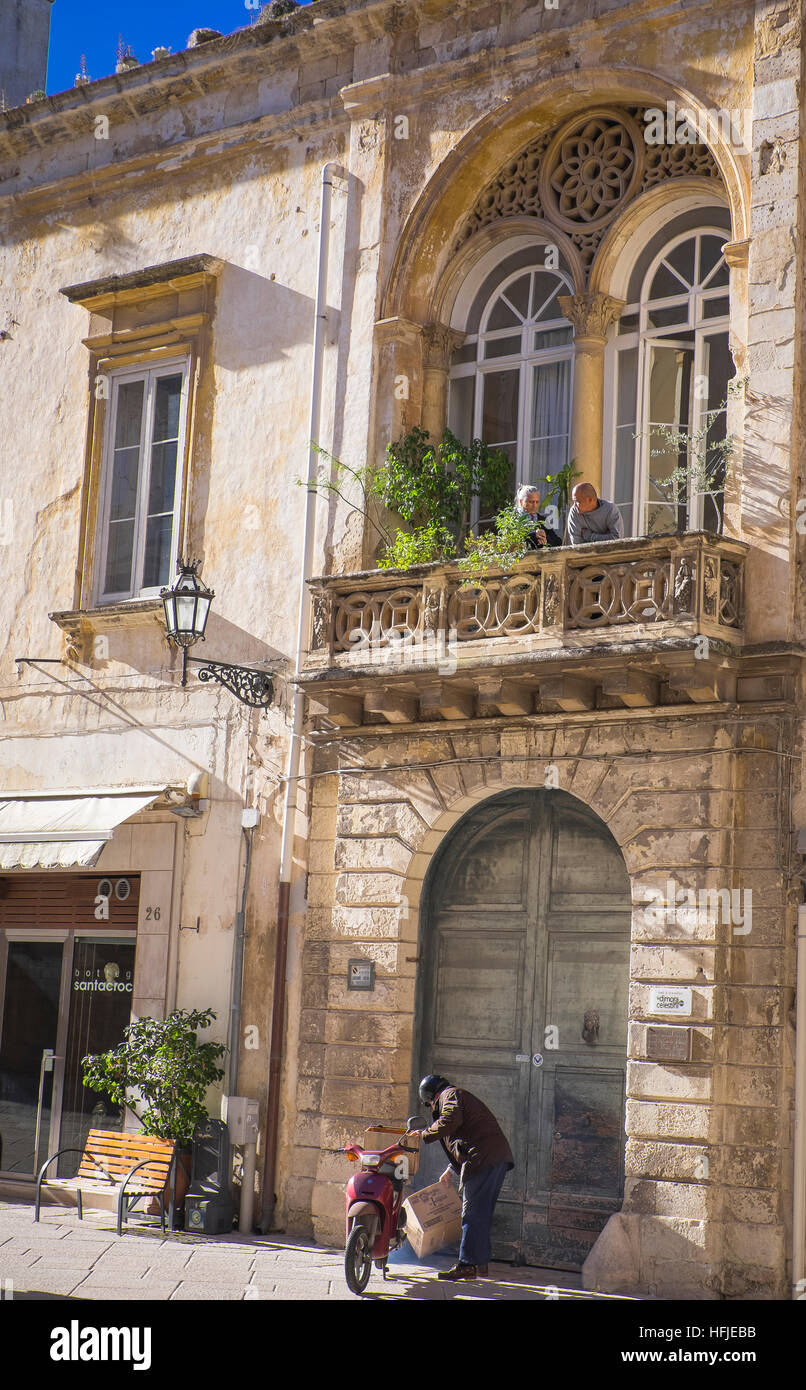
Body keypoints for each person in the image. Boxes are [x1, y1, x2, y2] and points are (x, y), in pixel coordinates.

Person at [405, 1074, 514, 1281]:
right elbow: (463, 1138)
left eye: (429, 1103)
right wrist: (451, 1169)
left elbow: (451, 1120)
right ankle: (479, 1265)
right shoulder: (455, 1096)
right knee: (480, 1214)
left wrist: (423, 1134)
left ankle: (467, 1265)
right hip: (492, 1157)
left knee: (472, 1213)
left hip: (483, 1158)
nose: (431, 1107)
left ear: (431, 1097)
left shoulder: (450, 1095)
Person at [514, 484, 563, 549]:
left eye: (537, 502)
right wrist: (534, 536)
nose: (535, 506)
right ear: (521, 502)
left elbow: (558, 542)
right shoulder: (513, 519)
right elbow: (513, 543)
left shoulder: (542, 520)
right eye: (531, 502)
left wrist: (545, 539)